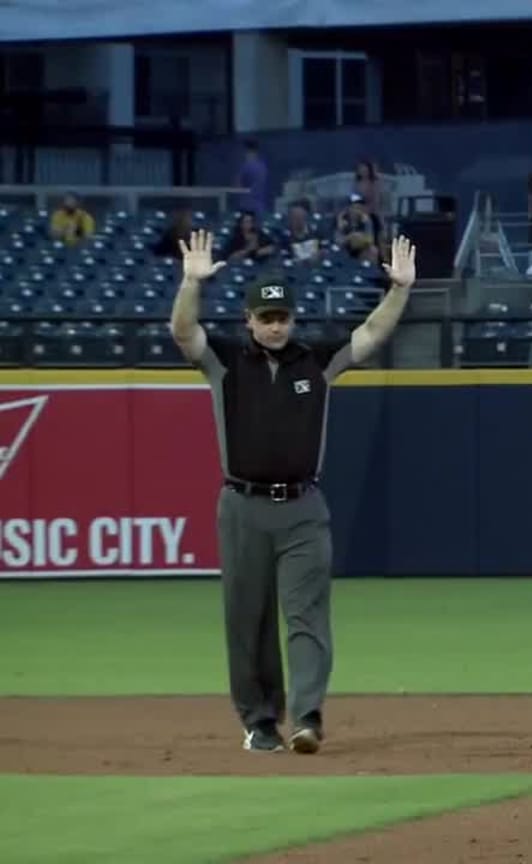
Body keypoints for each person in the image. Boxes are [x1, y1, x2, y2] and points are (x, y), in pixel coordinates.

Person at [169, 229, 417, 754]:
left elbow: (370, 336)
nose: (276, 326)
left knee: (307, 615)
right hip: (242, 506)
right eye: (266, 317)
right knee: (247, 619)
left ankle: (307, 717)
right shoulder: (226, 362)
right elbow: (184, 332)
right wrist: (191, 283)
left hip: (303, 507)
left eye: (283, 317)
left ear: (293, 319)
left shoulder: (317, 360)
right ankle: (260, 722)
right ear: (249, 320)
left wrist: (398, 291)